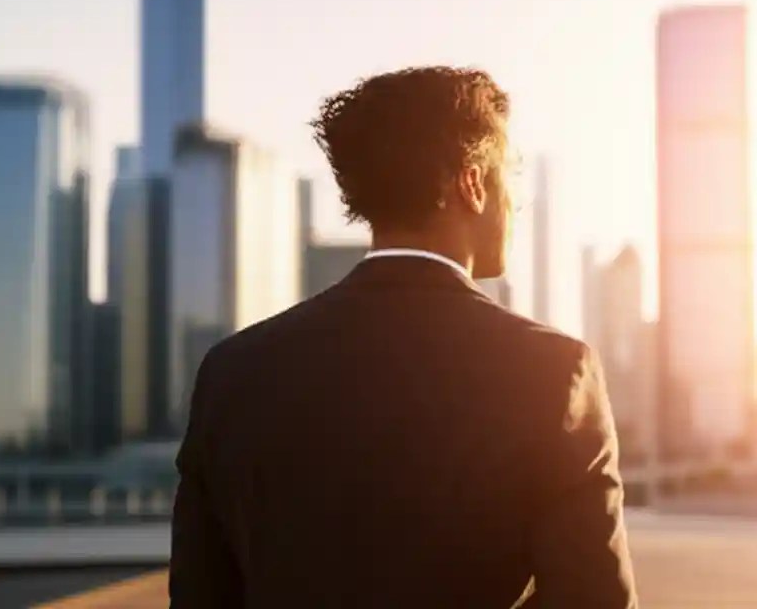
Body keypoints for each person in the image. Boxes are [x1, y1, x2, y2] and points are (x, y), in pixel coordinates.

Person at [170, 67, 638, 607]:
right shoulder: (554, 372)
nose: (516, 201)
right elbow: (594, 599)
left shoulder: (233, 370)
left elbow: (198, 597)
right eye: (509, 174)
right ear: (473, 183)